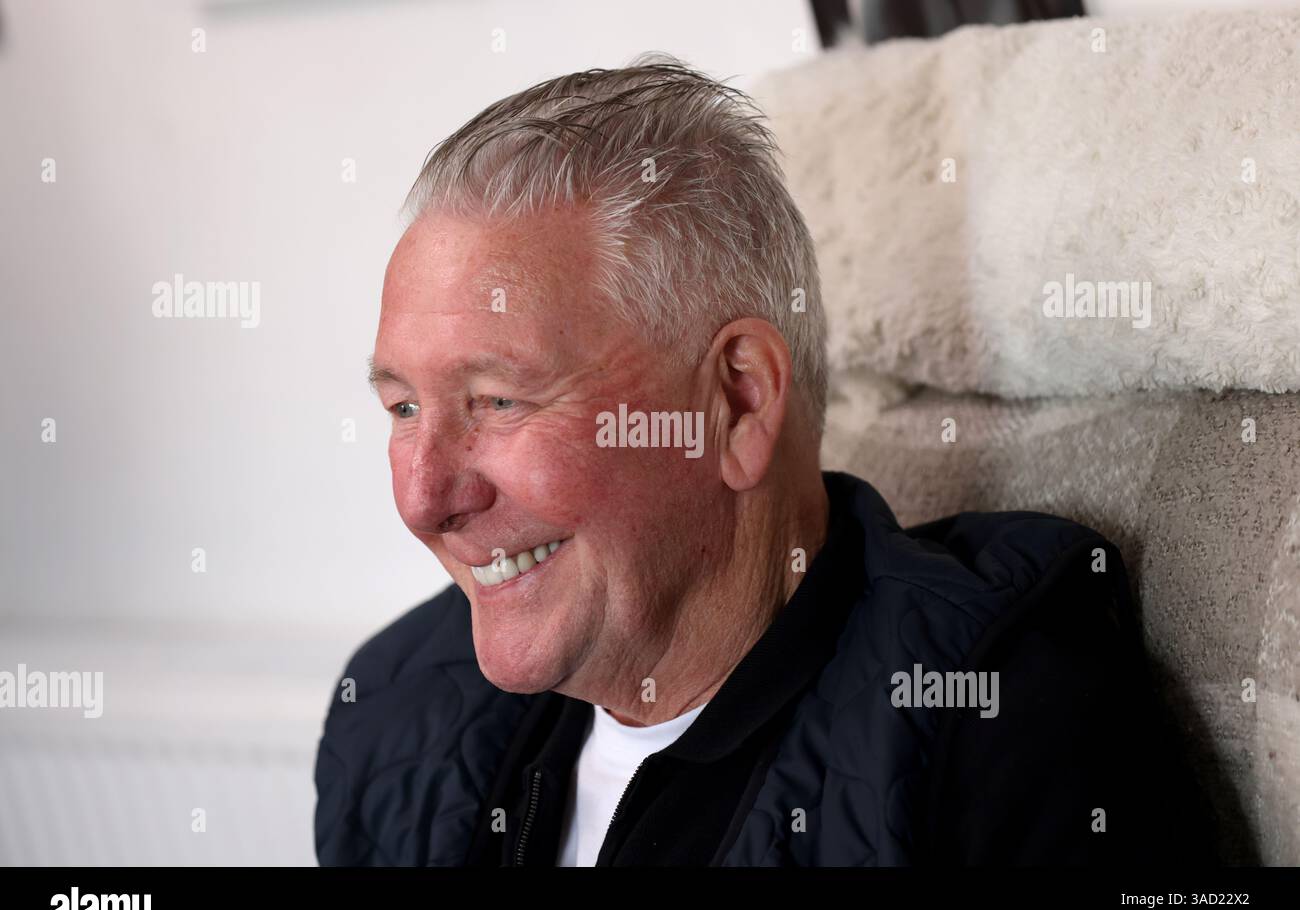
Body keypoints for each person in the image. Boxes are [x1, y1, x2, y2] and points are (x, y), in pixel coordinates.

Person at [313, 55, 1211, 867]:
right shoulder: (390, 715)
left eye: (498, 402)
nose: (426, 495)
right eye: (403, 407)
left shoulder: (993, 725)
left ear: (737, 403)